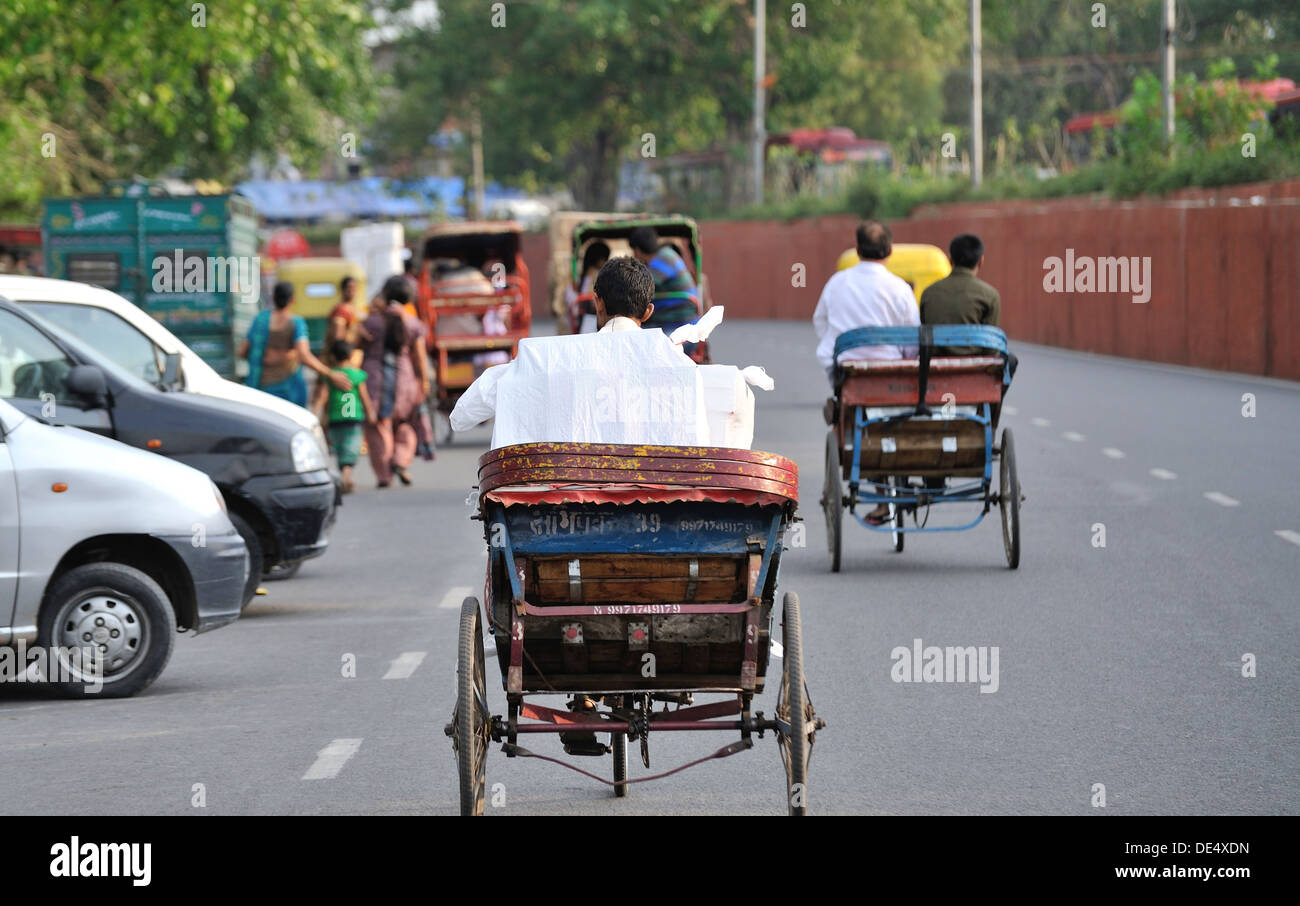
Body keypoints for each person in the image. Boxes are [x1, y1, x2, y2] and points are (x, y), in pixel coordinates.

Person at [813, 220, 919, 525]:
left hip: (850, 377)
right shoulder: (899, 288)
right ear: (889, 251)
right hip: (891, 378)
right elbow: (913, 337)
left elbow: (820, 322)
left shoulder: (837, 283)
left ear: (857, 250)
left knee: (850, 419)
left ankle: (858, 470)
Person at [358, 276, 430, 488]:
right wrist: (423, 382)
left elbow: (356, 343)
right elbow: (419, 357)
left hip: (375, 379)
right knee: (406, 423)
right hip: (405, 379)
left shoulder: (371, 322)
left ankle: (383, 474)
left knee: (378, 426)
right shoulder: (413, 323)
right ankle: (400, 460)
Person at [920, 233, 1018, 378]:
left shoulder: (929, 293)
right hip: (974, 367)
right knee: (1011, 360)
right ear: (981, 262)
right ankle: (994, 400)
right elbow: (991, 347)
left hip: (935, 365)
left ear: (949, 259)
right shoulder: (990, 295)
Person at [240, 281, 349, 406]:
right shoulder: (296, 323)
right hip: (290, 389)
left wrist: (265, 357)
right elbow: (304, 355)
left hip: (263, 388)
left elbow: (242, 352)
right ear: (293, 299)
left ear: (273, 298)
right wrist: (330, 374)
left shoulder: (260, 320)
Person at [311, 339, 375, 494]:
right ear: (351, 355)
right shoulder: (357, 375)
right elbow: (364, 396)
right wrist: (370, 412)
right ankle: (347, 474)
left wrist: (314, 413)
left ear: (332, 357)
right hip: (353, 419)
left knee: (339, 449)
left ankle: (343, 474)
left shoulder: (332, 376)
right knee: (351, 448)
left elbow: (322, 396)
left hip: (336, 419)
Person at [564, 240, 610, 333]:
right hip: (592, 320)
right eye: (605, 259)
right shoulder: (598, 276)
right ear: (599, 259)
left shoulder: (578, 280)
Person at [323, 275, 361, 367]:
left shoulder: (353, 308)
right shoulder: (341, 310)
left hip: (351, 355)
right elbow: (338, 337)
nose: (352, 291)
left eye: (354, 288)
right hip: (342, 358)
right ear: (343, 289)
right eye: (349, 287)